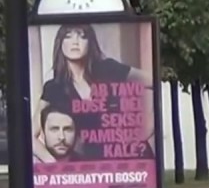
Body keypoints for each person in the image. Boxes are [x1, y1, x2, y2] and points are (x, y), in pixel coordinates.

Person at [34, 23, 154, 162]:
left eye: (82, 37)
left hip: (132, 155)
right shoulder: (54, 88)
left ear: (90, 43)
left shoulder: (109, 69)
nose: (75, 42)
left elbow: (153, 81)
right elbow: (30, 135)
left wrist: (147, 127)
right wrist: (51, 162)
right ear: (60, 44)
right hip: (93, 161)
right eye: (68, 37)